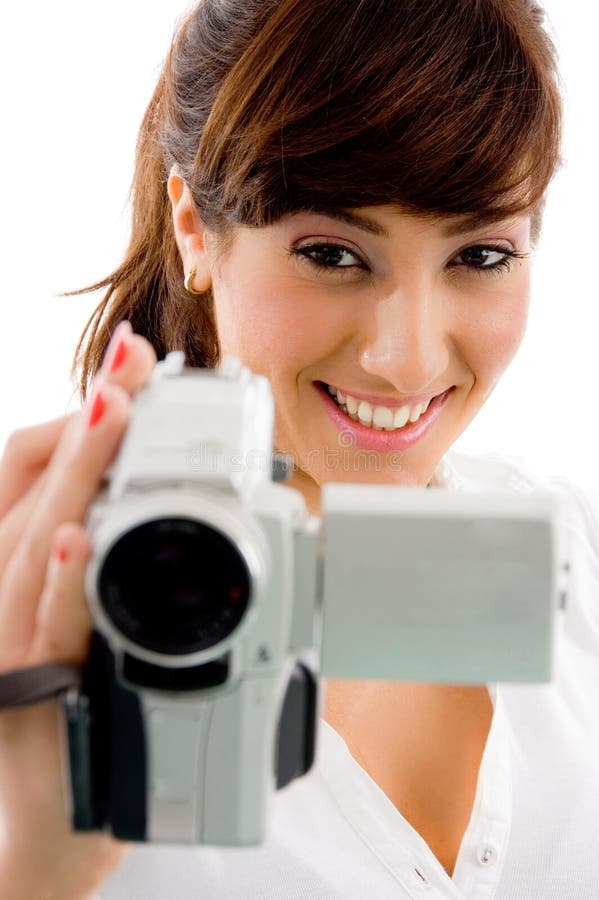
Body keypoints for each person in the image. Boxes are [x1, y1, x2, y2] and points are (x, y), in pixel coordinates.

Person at [1, 0, 598, 897]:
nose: (406, 359)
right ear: (195, 228)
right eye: (330, 253)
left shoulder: (576, 552)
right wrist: (35, 874)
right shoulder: (34, 614)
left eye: (478, 257)